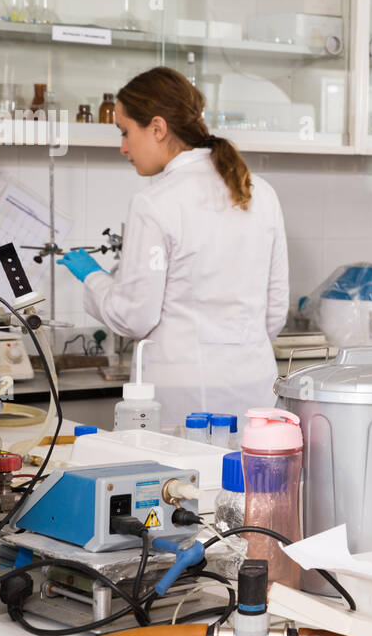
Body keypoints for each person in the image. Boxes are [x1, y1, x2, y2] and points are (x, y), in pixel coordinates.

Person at [58, 66, 289, 427]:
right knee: (251, 483)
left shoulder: (155, 203)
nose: (123, 147)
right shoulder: (262, 192)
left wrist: (94, 278)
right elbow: (275, 312)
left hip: (186, 402)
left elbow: (133, 317)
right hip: (256, 389)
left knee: (184, 485)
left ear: (158, 128)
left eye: (125, 132)